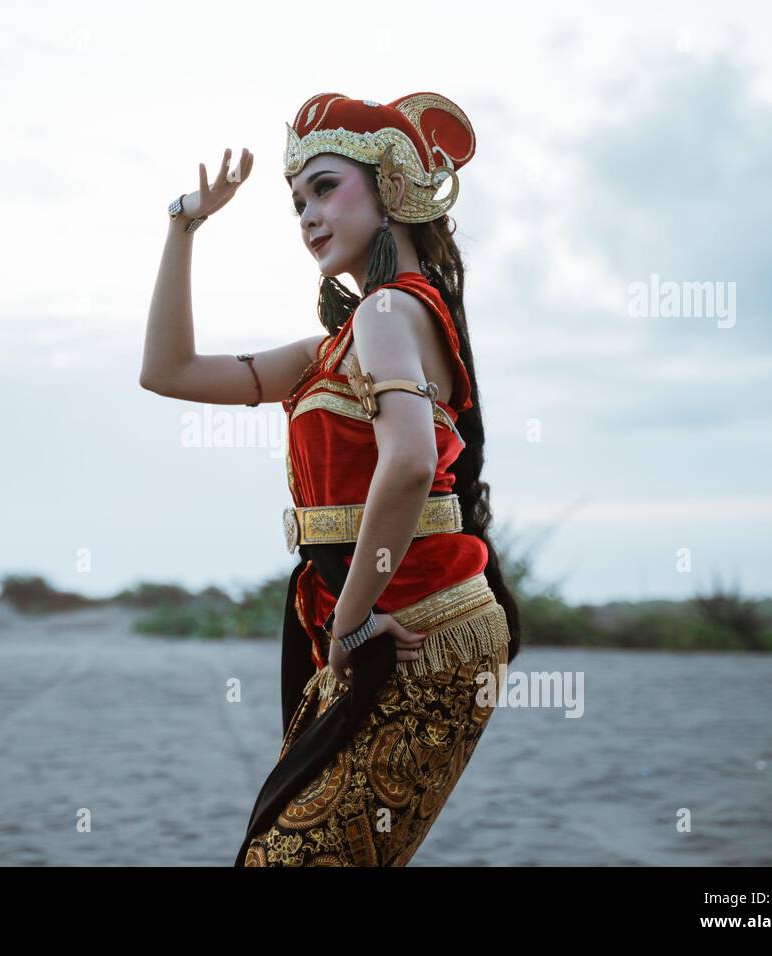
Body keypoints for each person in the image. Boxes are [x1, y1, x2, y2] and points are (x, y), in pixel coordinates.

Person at [140, 91, 523, 867]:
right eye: (296, 202)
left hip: (415, 630)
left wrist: (350, 621)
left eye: (324, 188)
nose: (307, 216)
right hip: (382, 623)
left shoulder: (386, 313)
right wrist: (184, 224)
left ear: (389, 189)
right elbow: (168, 370)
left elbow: (411, 462)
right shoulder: (337, 344)